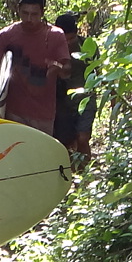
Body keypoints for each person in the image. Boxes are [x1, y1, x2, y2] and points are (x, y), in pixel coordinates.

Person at [0, 0, 70, 137]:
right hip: (13, 112)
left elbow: (67, 70)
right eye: (25, 13)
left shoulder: (56, 35)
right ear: (18, 11)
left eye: (34, 14)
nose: (29, 19)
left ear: (42, 13)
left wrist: (58, 68)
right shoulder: (7, 35)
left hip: (43, 114)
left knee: (40, 156)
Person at [52, 12, 95, 160]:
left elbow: (99, 72)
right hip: (61, 102)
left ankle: (86, 173)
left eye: (71, 38)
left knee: (83, 138)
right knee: (65, 142)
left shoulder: (88, 47)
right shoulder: (50, 48)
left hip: (85, 98)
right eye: (65, 39)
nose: (68, 43)